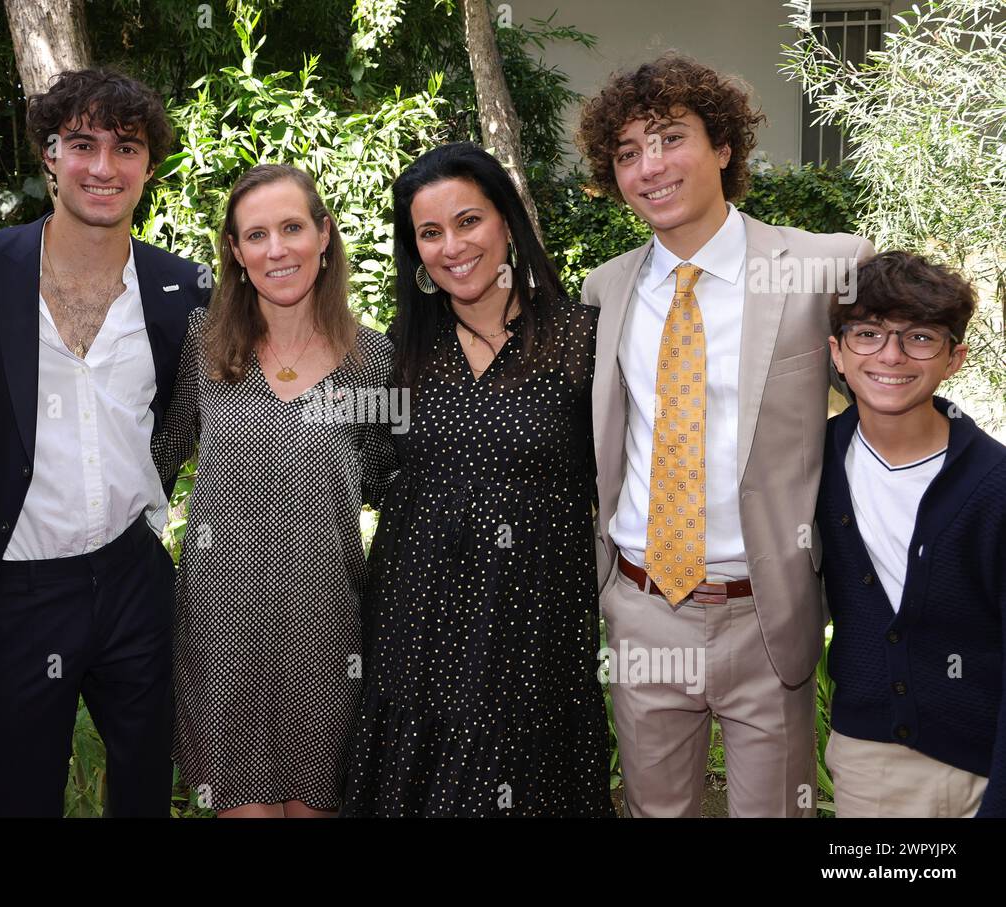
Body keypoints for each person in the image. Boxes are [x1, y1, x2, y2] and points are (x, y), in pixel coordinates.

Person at [576, 53, 875, 817]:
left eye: (671, 138)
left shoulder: (822, 268)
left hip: (766, 612)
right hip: (644, 608)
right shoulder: (605, 289)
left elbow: (894, 394)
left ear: (723, 148)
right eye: (627, 153)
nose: (651, 166)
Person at [0, 68, 208, 817]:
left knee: (146, 792)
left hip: (133, 578)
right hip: (17, 592)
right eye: (80, 143)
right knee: (20, 800)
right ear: (49, 155)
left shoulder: (181, 289)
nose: (102, 166)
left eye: (126, 147)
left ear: (150, 166)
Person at [342, 142, 611, 817]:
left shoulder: (585, 338)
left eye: (469, 221)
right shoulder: (399, 350)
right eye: (429, 232)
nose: (452, 246)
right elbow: (373, 470)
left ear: (506, 222)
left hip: (532, 628)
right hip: (416, 627)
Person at [152, 164, 397, 817]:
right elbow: (158, 463)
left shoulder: (374, 359)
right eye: (255, 234)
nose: (276, 249)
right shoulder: (204, 344)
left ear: (324, 234)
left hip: (327, 627)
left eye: (292, 227)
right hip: (219, 627)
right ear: (235, 251)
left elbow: (389, 483)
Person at [818, 251, 1005, 818]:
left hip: (982, 759)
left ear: (954, 358)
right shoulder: (811, 461)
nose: (891, 355)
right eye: (868, 334)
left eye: (920, 337)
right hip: (873, 761)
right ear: (837, 353)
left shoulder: (993, 486)